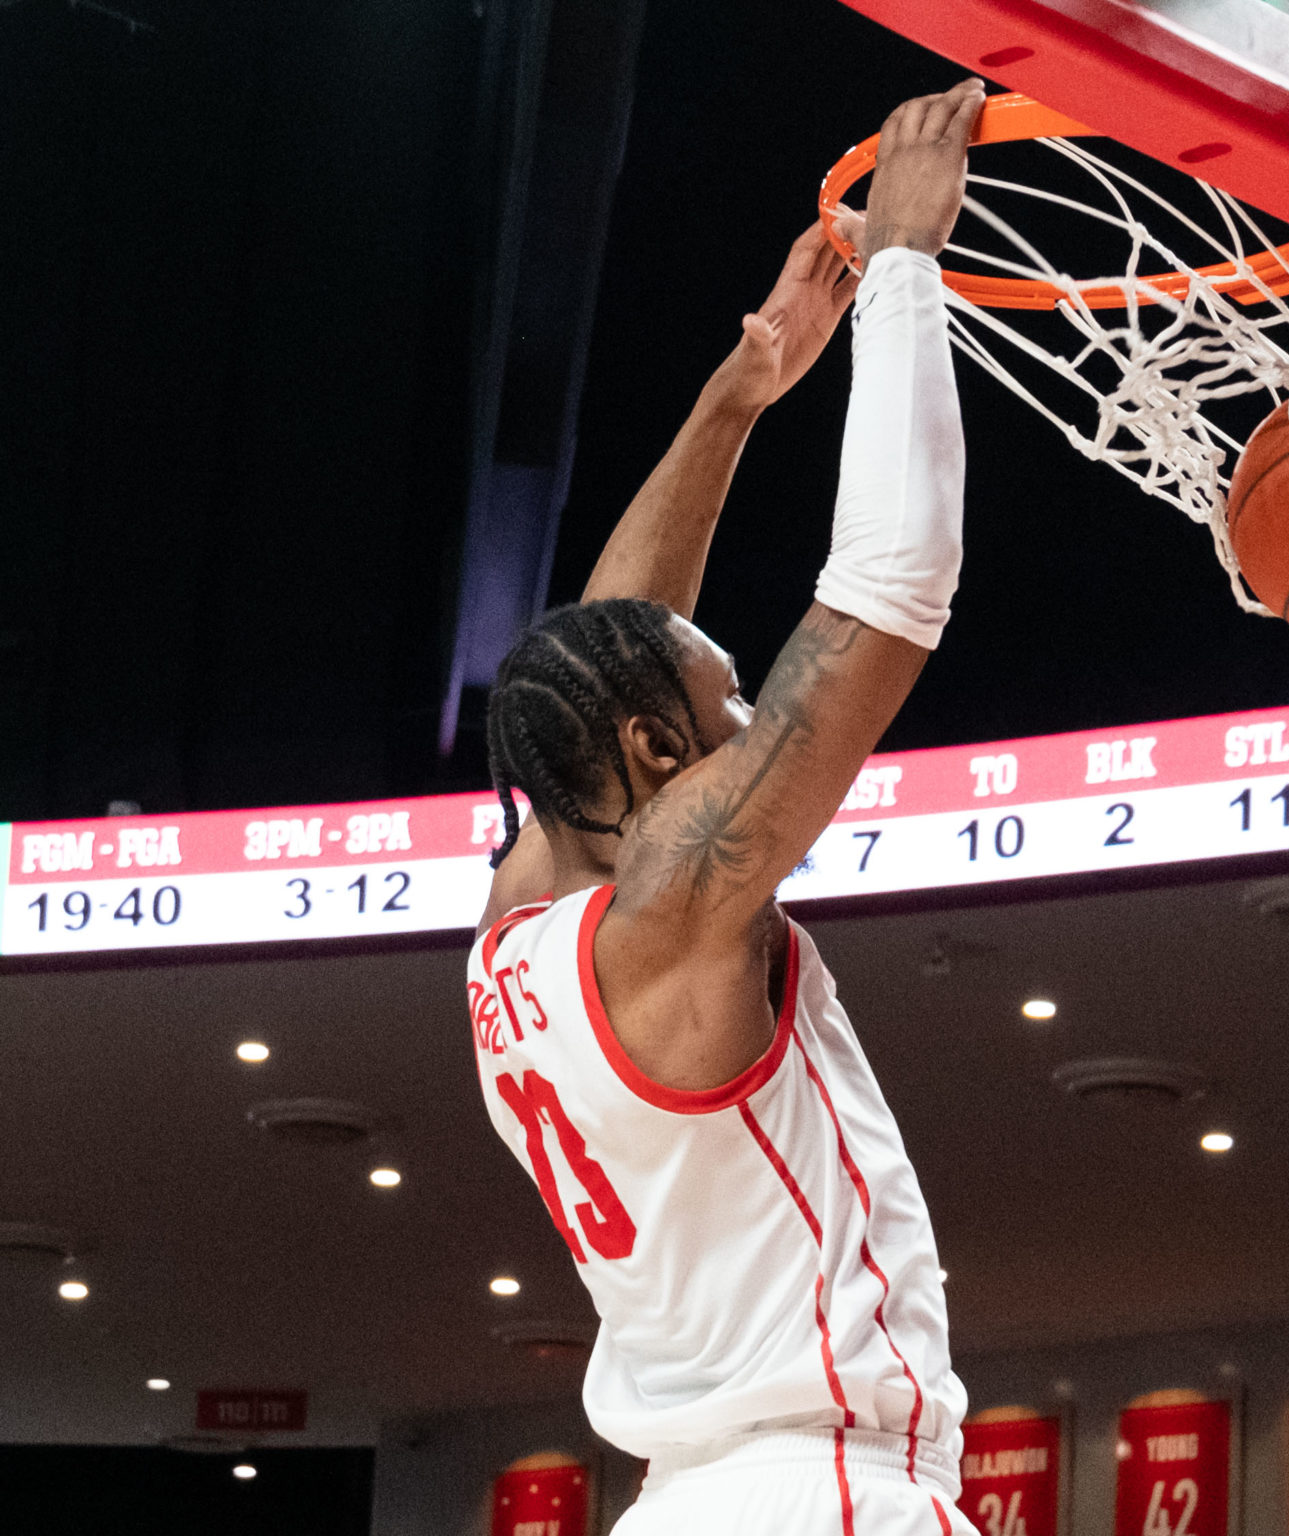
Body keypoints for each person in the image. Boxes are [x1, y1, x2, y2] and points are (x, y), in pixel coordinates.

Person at [465, 78, 986, 1535]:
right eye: (732, 703)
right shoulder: (676, 912)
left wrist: (737, 396)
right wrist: (904, 267)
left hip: (694, 1503)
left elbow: (600, 647)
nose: (757, 729)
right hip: (822, 1495)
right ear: (652, 754)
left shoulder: (522, 933)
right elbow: (887, 593)